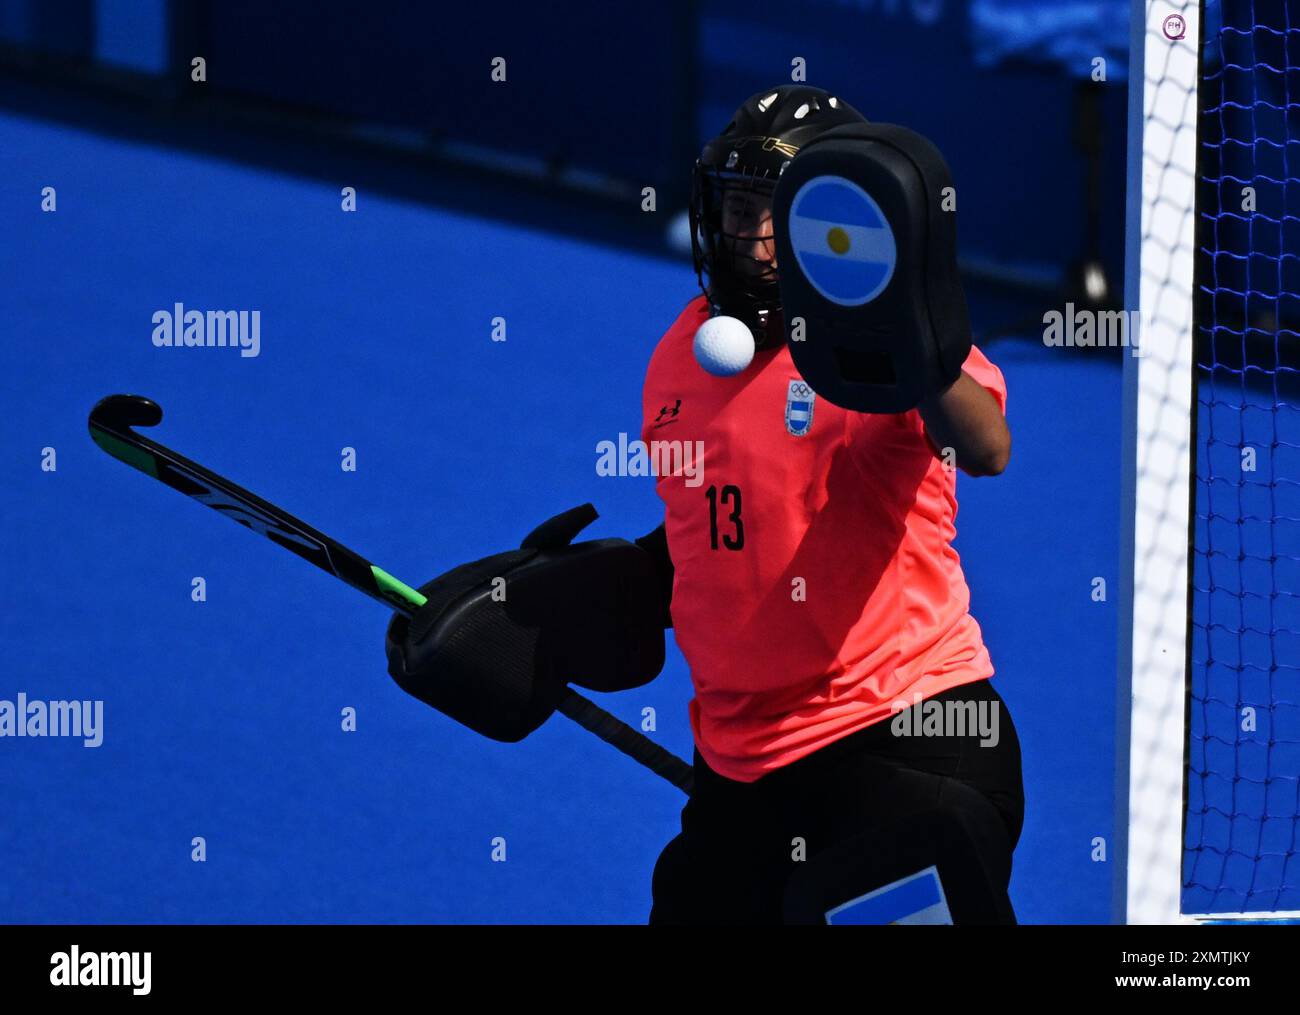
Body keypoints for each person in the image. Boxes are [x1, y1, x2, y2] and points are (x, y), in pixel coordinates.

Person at [638, 84, 1023, 924]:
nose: (754, 236)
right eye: (740, 207)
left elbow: (985, 446)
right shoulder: (682, 352)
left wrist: (912, 348)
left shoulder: (876, 344)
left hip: (906, 742)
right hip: (738, 771)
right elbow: (717, 522)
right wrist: (594, 589)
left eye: (781, 212)